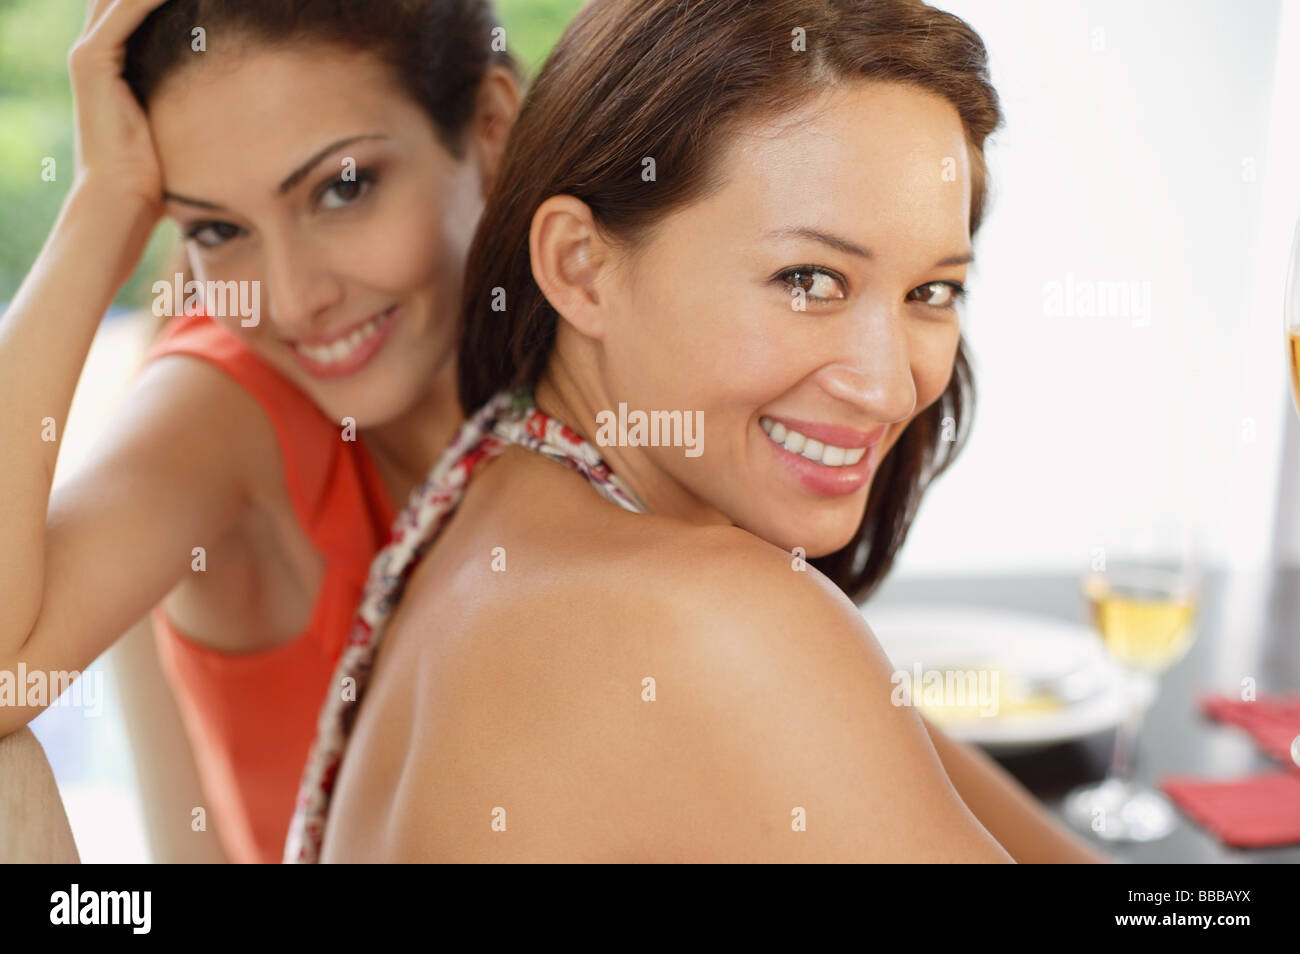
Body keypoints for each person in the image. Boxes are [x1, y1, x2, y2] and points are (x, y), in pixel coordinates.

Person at [285, 0, 1111, 862]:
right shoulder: (721, 625)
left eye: (931, 292)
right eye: (808, 278)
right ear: (580, 265)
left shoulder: (496, 495)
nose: (886, 384)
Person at [0, 0, 521, 863]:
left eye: (342, 189)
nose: (287, 301)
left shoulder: (613, 341)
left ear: (490, 128)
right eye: (216, 228)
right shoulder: (231, 403)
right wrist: (100, 210)